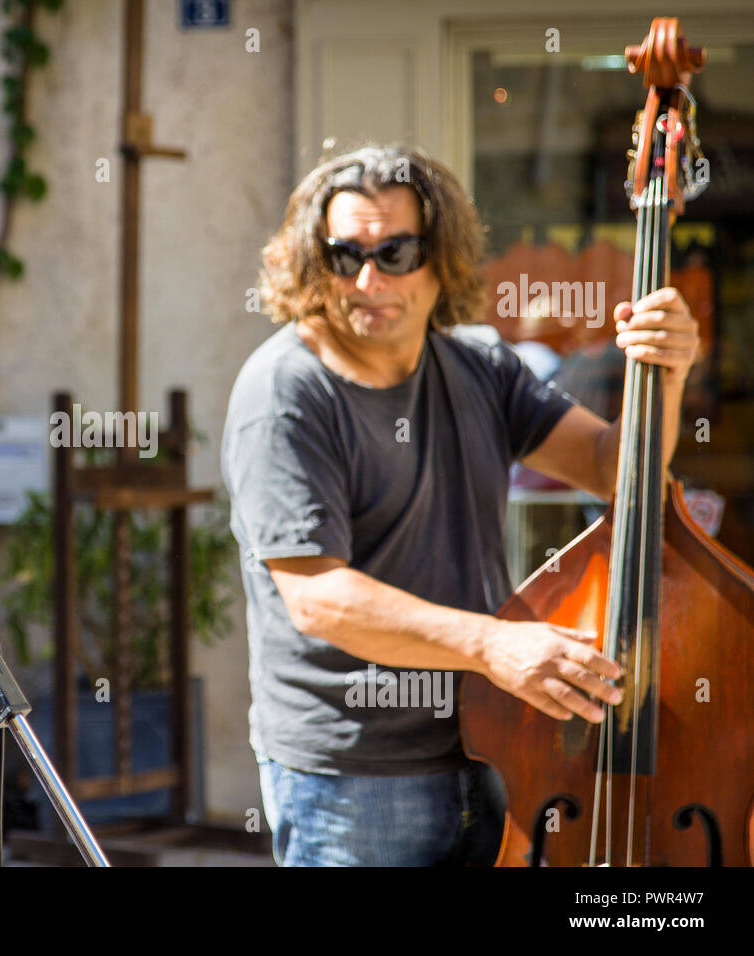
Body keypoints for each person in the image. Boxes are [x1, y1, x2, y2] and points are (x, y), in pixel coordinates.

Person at [222, 146, 698, 867]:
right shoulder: (284, 391)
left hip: (493, 745)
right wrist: (493, 645)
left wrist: (667, 373)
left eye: (396, 250)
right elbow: (319, 596)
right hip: (355, 776)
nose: (367, 278)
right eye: (343, 254)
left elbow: (613, 470)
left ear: (440, 257)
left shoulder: (479, 363)